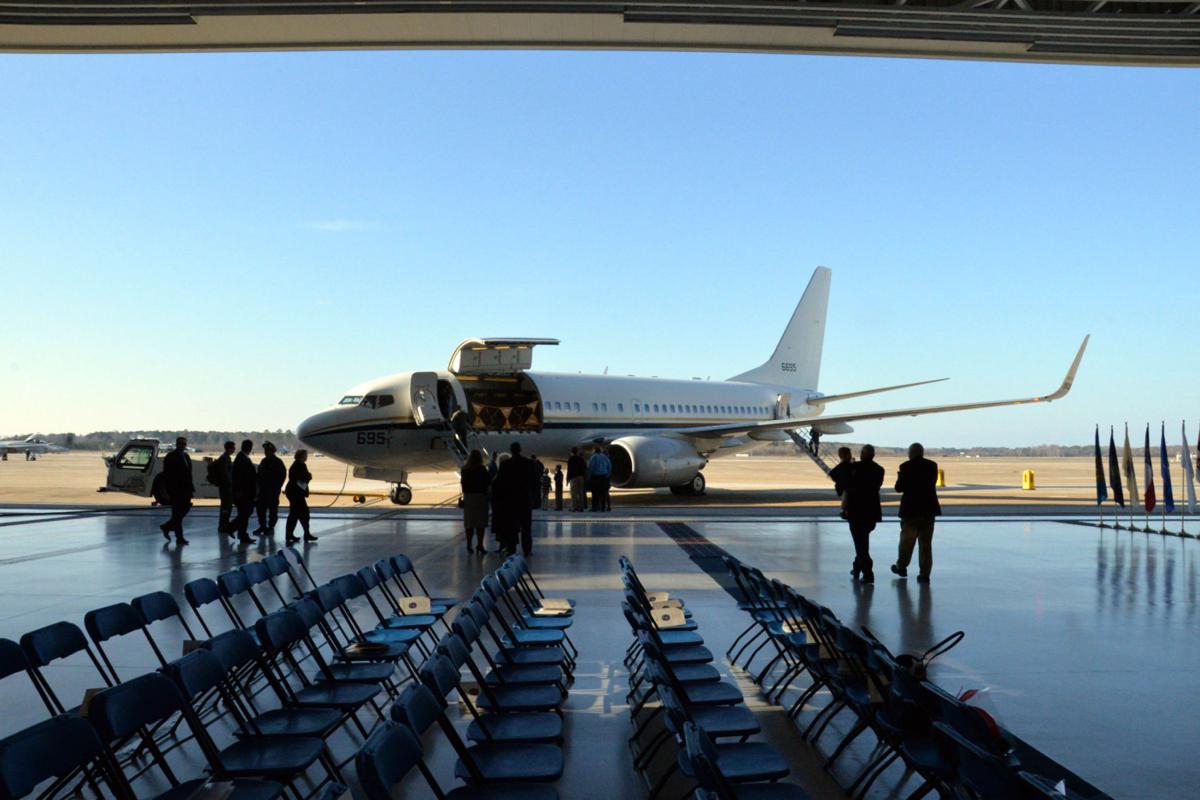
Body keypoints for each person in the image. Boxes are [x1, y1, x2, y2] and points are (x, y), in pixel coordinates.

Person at [891, 442, 941, 583]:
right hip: (928, 510)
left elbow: (899, 488)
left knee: (906, 543)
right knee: (926, 544)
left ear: (911, 453)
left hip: (911, 510)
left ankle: (901, 566)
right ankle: (924, 574)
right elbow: (932, 482)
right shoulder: (932, 465)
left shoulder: (905, 467)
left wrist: (900, 476)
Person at [844, 445, 884, 583]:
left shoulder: (855, 467)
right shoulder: (879, 470)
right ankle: (856, 568)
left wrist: (848, 464)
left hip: (856, 511)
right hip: (871, 512)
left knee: (860, 544)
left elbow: (844, 482)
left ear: (862, 454)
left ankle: (868, 573)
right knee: (862, 542)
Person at [495, 442, 537, 556]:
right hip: (525, 500)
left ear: (511, 450)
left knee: (511, 527)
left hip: (510, 501)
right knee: (526, 527)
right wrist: (533, 497)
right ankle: (527, 550)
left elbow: (499, 484)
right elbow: (535, 482)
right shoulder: (529, 463)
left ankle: (511, 549)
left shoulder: (505, 465)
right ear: (520, 449)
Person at [159, 437, 193, 545]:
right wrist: (170, 490)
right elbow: (167, 474)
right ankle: (179, 537)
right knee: (177, 513)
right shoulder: (171, 456)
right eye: (181, 443)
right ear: (177, 444)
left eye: (184, 444)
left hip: (186, 489)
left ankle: (167, 526)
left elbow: (189, 474)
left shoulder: (186, 456)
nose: (183, 445)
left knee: (182, 511)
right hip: (176, 490)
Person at [285, 449, 318, 545]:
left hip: (296, 492)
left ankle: (292, 534)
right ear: (301, 456)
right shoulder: (297, 466)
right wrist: (308, 477)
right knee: (301, 513)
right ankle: (303, 534)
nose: (306, 457)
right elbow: (301, 479)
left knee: (297, 514)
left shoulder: (300, 465)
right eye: (305, 455)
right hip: (295, 493)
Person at [460, 449, 491, 554]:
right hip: (481, 498)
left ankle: (469, 544)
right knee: (480, 524)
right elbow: (488, 481)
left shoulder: (464, 469)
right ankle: (480, 544)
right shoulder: (482, 469)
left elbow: (463, 484)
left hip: (469, 498)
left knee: (469, 524)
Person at [229, 439, 258, 544]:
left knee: (245, 514)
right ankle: (233, 528)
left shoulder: (242, 458)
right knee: (245, 513)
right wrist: (238, 491)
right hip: (244, 493)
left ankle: (240, 533)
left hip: (245, 492)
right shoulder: (242, 459)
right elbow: (239, 477)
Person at [255, 441, 286, 536]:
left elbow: (282, 476)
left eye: (267, 450)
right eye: (265, 450)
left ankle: (270, 527)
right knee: (260, 510)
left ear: (272, 451)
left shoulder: (278, 462)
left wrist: (276, 487)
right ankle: (262, 526)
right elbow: (259, 474)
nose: (265, 452)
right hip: (263, 490)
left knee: (273, 511)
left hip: (272, 491)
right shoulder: (263, 461)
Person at [211, 440, 236, 534]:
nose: (234, 450)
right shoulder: (225, 458)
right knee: (226, 507)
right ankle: (223, 525)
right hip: (226, 488)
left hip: (225, 487)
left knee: (226, 507)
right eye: (233, 448)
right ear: (229, 448)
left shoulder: (225, 458)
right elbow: (225, 474)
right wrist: (231, 483)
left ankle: (224, 524)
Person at [828, 446, 854, 519]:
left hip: (844, 490)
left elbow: (832, 474)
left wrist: (839, 482)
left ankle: (844, 510)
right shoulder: (851, 466)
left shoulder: (841, 467)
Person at [587, 446, 612, 512]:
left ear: (594, 451)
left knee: (595, 493)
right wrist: (608, 475)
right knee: (603, 493)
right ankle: (603, 508)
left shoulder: (593, 457)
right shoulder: (605, 457)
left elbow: (590, 467)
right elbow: (609, 466)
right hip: (604, 476)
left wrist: (589, 477)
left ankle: (595, 508)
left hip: (596, 477)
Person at [566, 447, 587, 512]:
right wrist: (584, 477)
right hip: (580, 477)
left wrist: (567, 479)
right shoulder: (581, 459)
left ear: (572, 452)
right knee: (580, 493)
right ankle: (581, 507)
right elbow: (585, 468)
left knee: (573, 493)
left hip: (573, 477)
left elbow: (569, 470)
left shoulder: (571, 459)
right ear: (577, 452)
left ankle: (574, 507)